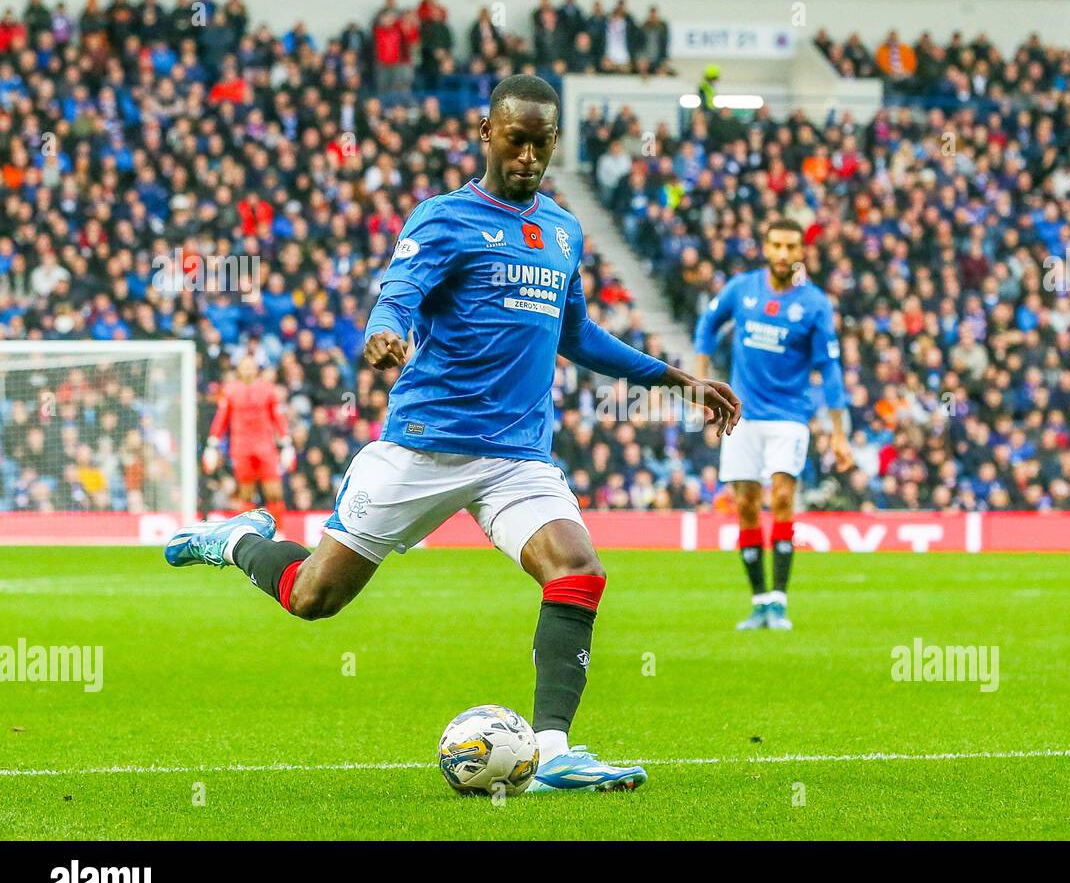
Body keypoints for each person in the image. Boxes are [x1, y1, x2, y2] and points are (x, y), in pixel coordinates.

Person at [166, 75, 741, 794]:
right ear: (487, 134)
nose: (529, 155)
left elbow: (577, 336)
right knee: (314, 597)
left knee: (578, 570)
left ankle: (554, 751)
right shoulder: (443, 217)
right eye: (516, 139)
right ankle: (238, 540)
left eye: (543, 142)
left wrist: (676, 380)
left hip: (516, 459)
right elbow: (397, 298)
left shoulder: (563, 230)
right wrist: (383, 337)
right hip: (423, 445)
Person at [693, 219, 851, 631]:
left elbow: (829, 369)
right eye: (777, 245)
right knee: (745, 505)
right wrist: (698, 384)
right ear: (766, 247)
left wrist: (838, 433)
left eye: (791, 246)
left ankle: (779, 601)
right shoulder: (742, 289)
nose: (783, 253)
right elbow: (706, 327)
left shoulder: (815, 304)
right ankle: (759, 600)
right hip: (741, 415)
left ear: (801, 252)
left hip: (790, 418)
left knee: (781, 497)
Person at [203, 354, 294, 527]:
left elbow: (278, 417)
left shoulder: (267, 389)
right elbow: (221, 419)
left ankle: (279, 531)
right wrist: (212, 445)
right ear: (239, 369)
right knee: (245, 493)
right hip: (241, 447)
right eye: (244, 366)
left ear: (256, 369)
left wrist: (286, 443)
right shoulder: (230, 390)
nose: (248, 370)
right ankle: (246, 533)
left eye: (251, 366)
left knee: (274, 492)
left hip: (266, 447)